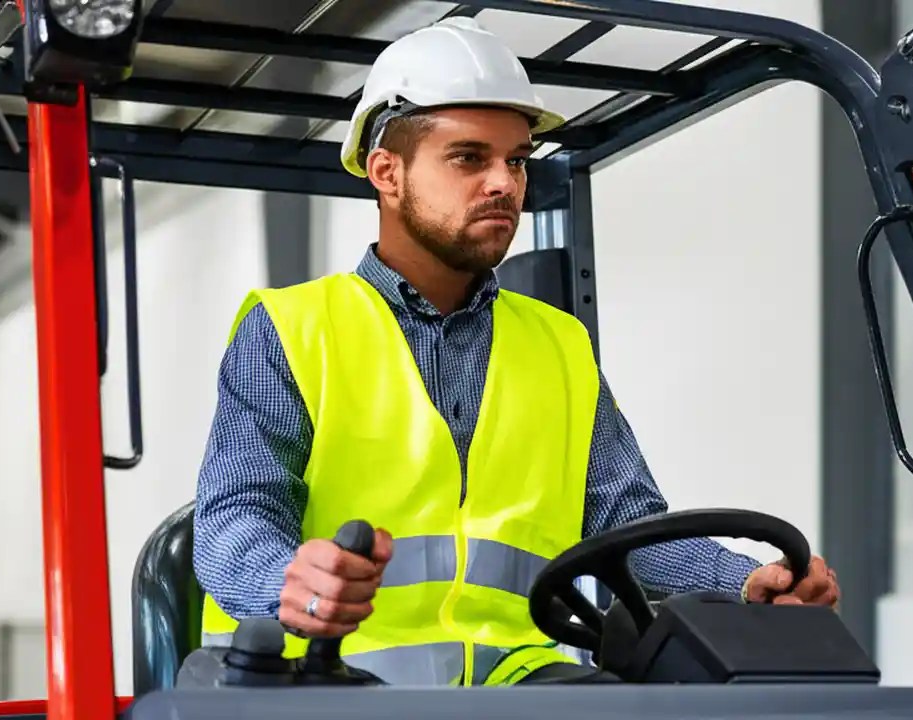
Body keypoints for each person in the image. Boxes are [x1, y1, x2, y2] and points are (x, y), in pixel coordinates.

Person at [191, 16, 839, 687]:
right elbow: (237, 513)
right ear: (387, 172)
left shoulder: (558, 344)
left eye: (517, 160)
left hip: (518, 680)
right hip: (331, 678)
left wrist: (747, 581)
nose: (504, 182)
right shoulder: (292, 328)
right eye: (469, 158)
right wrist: (289, 585)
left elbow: (624, 524)